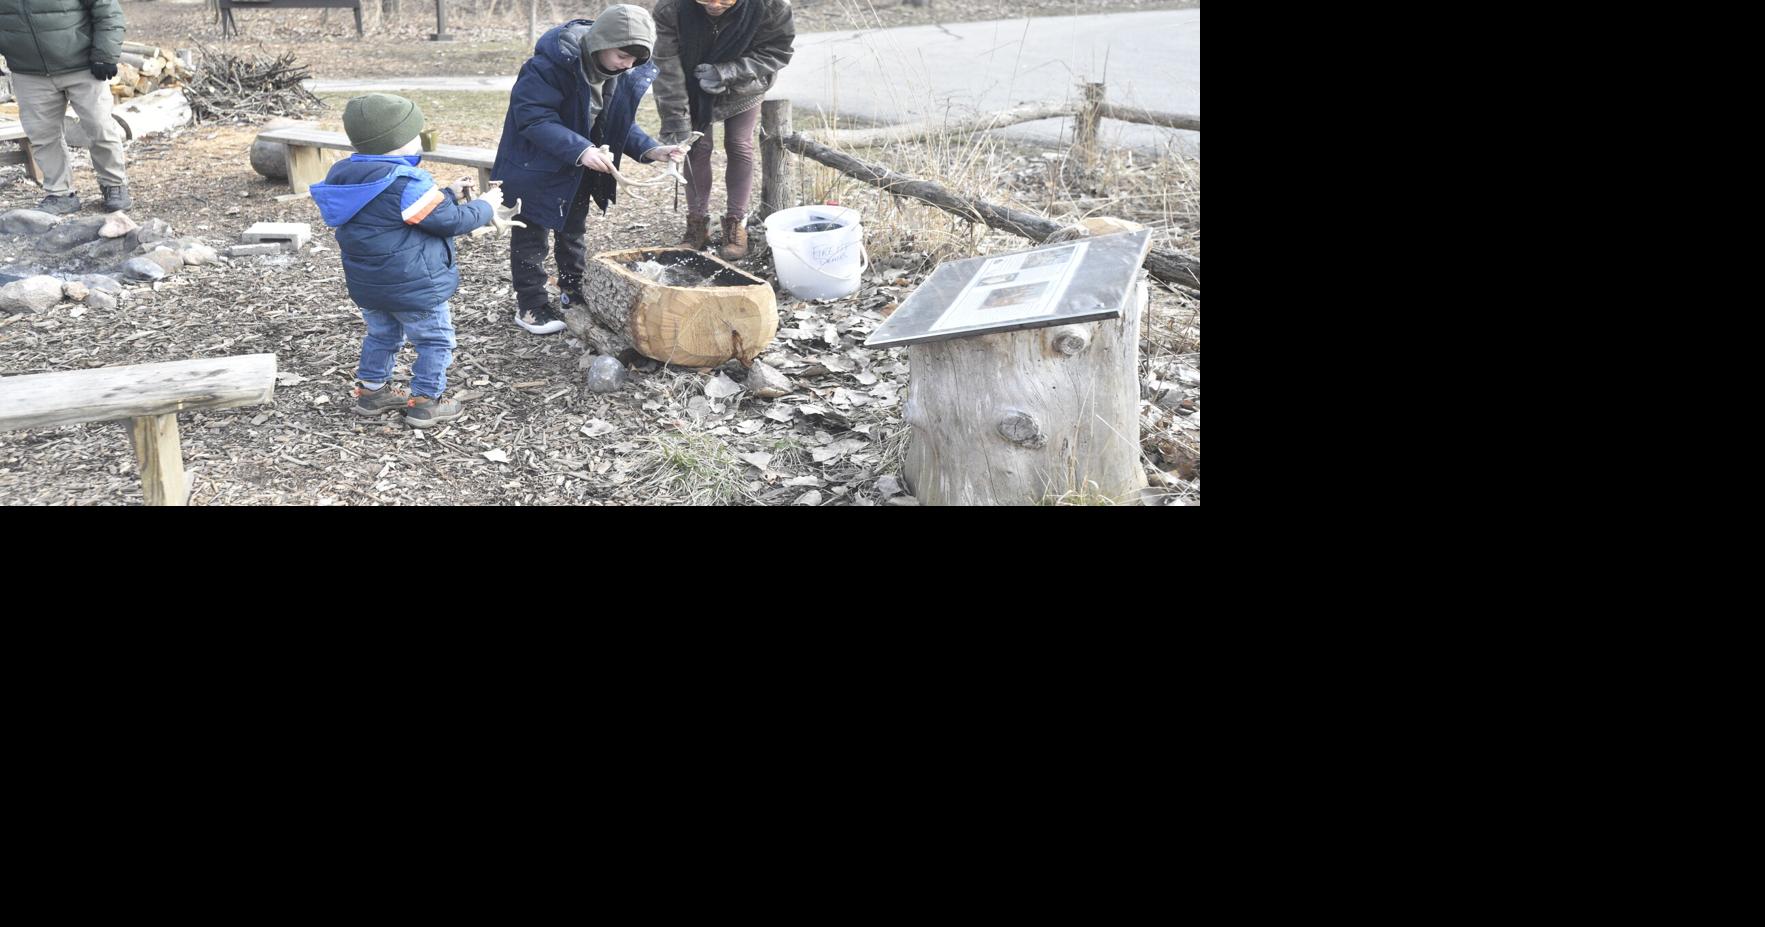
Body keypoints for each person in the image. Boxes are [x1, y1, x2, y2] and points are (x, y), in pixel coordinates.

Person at [309, 94, 518, 427]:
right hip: (414, 286)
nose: (419, 139)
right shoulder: (407, 182)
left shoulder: (347, 176)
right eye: (413, 134)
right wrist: (488, 205)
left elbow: (402, 212)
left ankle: (372, 393)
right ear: (395, 142)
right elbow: (450, 221)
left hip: (370, 285)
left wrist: (446, 194)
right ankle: (426, 401)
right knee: (435, 339)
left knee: (382, 336)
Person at [492, 5, 688, 336]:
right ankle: (531, 304)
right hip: (534, 168)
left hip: (577, 170)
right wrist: (580, 149)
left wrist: (652, 149)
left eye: (636, 61)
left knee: (573, 234)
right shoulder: (548, 67)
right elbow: (533, 118)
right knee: (530, 239)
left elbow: (618, 122)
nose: (628, 65)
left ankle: (573, 290)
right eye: (623, 55)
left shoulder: (620, 74)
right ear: (601, 43)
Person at [651, 0, 795, 260]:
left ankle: (735, 223)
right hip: (690, 85)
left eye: (725, 0)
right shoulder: (671, 8)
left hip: (745, 84)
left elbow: (777, 52)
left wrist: (728, 73)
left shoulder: (771, 6)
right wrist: (676, 121)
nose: (715, 5)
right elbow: (667, 68)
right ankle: (697, 224)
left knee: (739, 145)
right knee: (696, 148)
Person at [0, 0, 131, 214]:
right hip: (28, 72)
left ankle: (114, 184)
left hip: (83, 67)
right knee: (42, 135)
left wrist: (105, 55)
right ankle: (60, 193)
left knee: (100, 127)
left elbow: (107, 9)